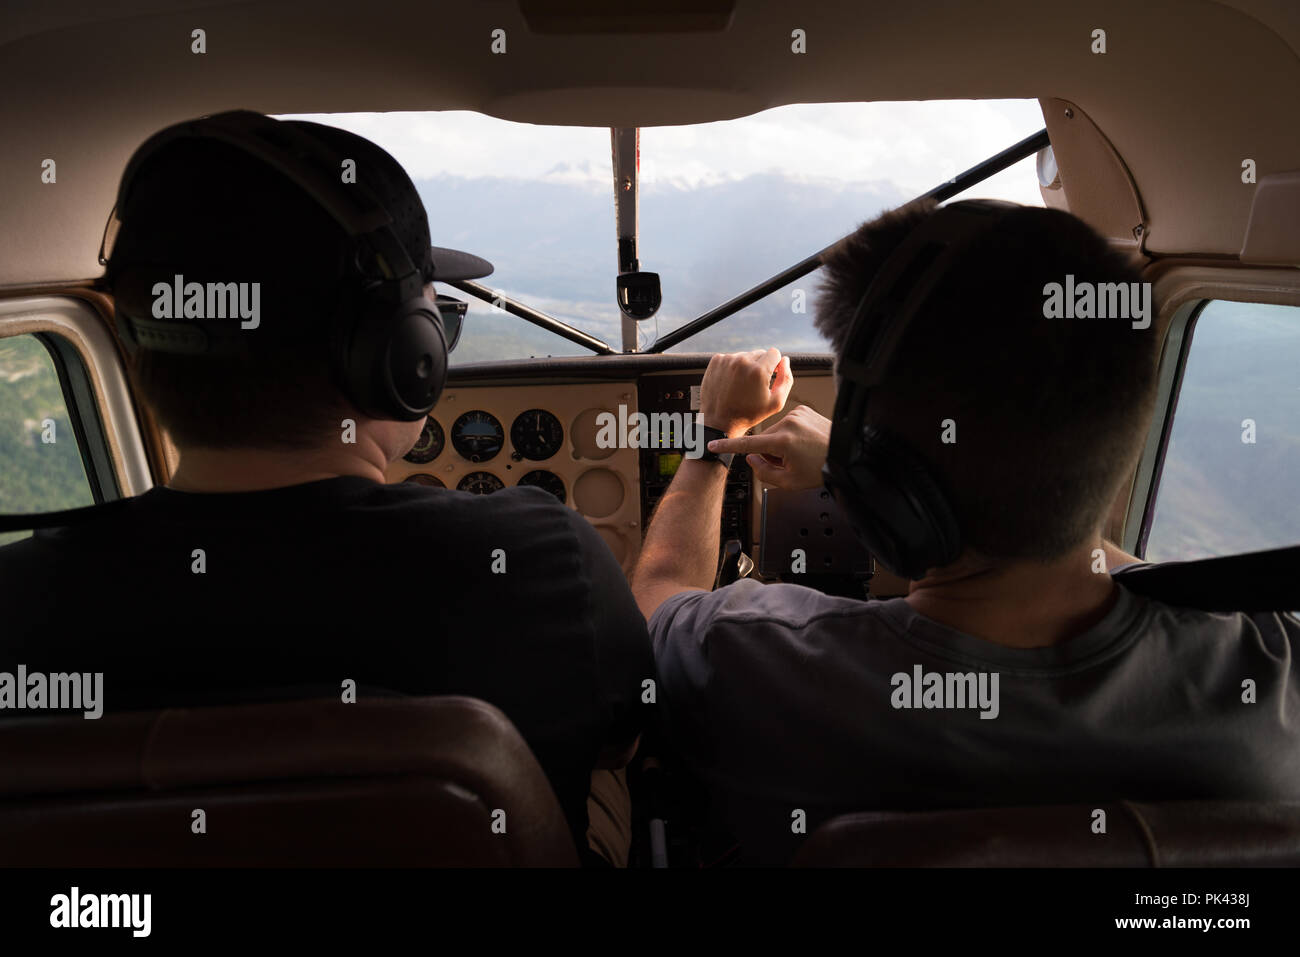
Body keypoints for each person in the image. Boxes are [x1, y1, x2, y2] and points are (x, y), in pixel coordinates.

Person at [0, 112, 652, 866]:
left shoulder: (15, 609)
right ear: (405, 355)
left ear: (136, 341)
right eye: (442, 320)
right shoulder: (539, 562)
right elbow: (631, 724)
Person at [631, 198, 1300, 865]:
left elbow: (656, 597)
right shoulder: (1276, 672)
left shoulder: (762, 661)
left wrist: (712, 437)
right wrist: (862, 467)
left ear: (885, 486)